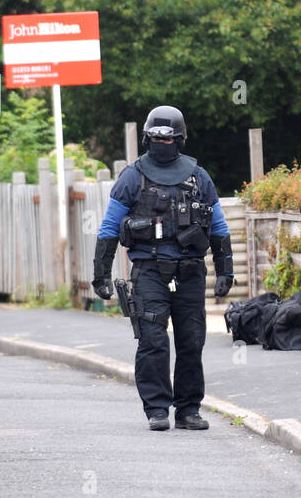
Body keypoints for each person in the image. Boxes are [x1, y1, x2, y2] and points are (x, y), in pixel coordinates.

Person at [92, 106, 234, 432]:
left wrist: (226, 270)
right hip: (149, 270)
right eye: (156, 137)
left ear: (180, 140)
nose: (161, 142)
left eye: (167, 138)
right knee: (153, 341)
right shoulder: (132, 176)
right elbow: (110, 227)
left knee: (191, 341)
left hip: (190, 271)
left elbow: (219, 227)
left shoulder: (199, 176)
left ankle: (188, 410)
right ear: (146, 138)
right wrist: (100, 274)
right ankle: (157, 408)